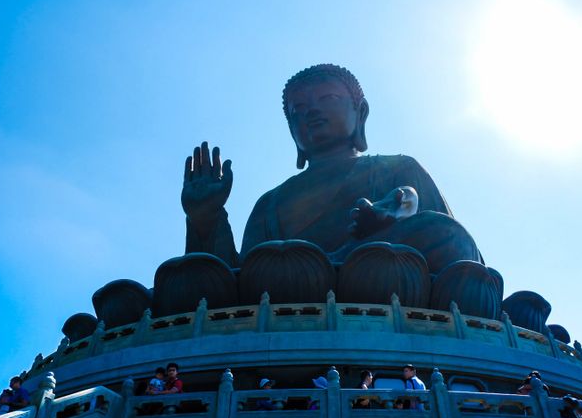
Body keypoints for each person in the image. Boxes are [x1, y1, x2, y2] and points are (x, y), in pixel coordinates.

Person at [181, 64, 482, 277]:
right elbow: (238, 277)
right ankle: (332, 267)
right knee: (261, 270)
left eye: (328, 99)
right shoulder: (270, 204)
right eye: (298, 109)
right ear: (291, 128)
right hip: (291, 287)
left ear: (360, 113)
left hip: (380, 272)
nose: (311, 111)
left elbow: (449, 244)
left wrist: (390, 218)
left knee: (447, 234)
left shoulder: (397, 167)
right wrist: (206, 218)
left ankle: (338, 265)